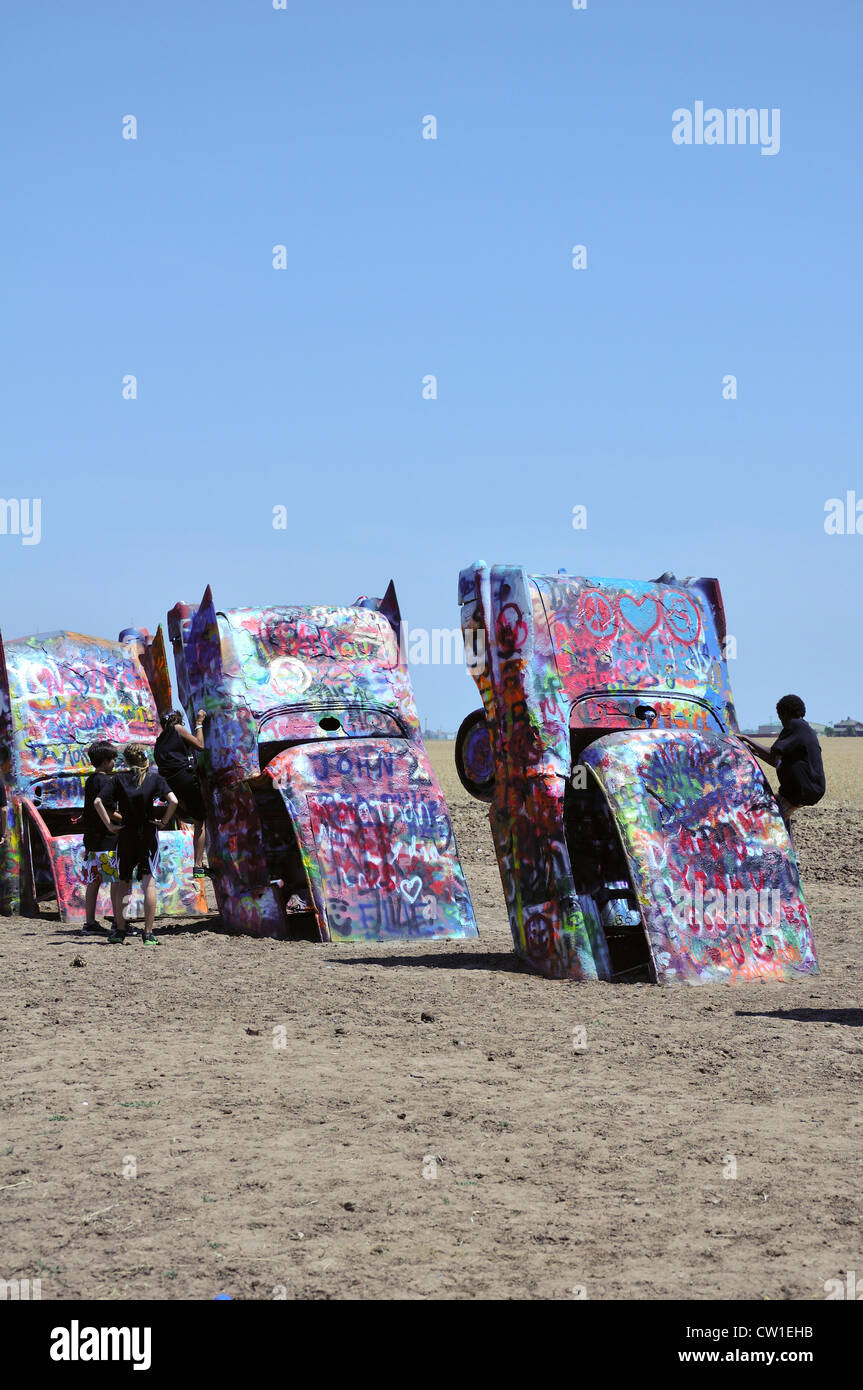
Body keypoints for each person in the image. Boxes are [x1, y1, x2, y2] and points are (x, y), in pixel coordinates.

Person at [109, 744, 178, 945]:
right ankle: (148, 933)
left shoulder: (119, 779)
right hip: (147, 832)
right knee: (148, 881)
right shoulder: (155, 779)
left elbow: (98, 802)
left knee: (123, 882)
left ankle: (120, 930)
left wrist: (110, 825)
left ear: (127, 760)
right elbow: (173, 801)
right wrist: (164, 821)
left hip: (125, 833)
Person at [739, 694, 826, 833]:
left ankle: (783, 851)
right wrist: (753, 751)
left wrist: (747, 739)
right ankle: (788, 847)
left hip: (800, 789)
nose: (781, 721)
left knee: (769, 820)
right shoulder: (805, 729)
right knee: (779, 813)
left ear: (785, 713)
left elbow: (773, 752)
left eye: (781, 717)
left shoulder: (795, 725)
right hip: (811, 789)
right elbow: (776, 760)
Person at [154, 709, 208, 877]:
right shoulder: (178, 729)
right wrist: (199, 723)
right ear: (177, 720)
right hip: (184, 780)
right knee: (200, 821)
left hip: (169, 786)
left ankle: (198, 861)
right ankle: (198, 866)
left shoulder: (159, 740)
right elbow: (200, 745)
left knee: (190, 816)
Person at [80, 741, 122, 934]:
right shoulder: (106, 781)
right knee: (115, 880)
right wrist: (129, 819)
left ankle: (89, 922)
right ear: (106, 762)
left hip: (92, 838)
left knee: (93, 881)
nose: (114, 762)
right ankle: (118, 921)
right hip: (107, 838)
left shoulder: (90, 780)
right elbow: (110, 809)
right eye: (113, 759)